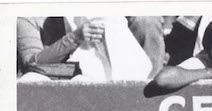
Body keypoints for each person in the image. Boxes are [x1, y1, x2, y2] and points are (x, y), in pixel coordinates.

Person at [18, 16, 165, 77]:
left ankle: (153, 90)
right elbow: (31, 62)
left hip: (112, 68)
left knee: (146, 19)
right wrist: (75, 37)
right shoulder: (27, 16)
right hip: (63, 79)